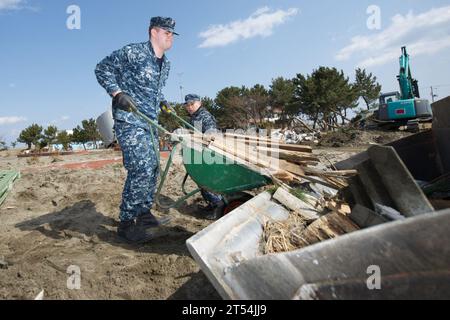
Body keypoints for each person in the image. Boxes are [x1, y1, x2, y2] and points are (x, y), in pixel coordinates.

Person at [95, 17, 178, 243]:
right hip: (130, 120)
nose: (170, 37)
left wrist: (162, 101)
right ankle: (126, 223)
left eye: (173, 34)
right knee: (140, 168)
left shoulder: (166, 64)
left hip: (150, 123)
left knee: (152, 168)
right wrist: (117, 93)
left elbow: (154, 90)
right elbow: (102, 69)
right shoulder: (133, 52)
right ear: (153, 32)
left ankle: (143, 213)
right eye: (166, 32)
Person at [184, 94, 225, 220]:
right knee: (201, 181)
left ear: (199, 103)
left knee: (207, 181)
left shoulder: (204, 116)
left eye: (192, 104)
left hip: (209, 154)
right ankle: (212, 204)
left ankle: (218, 207)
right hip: (199, 153)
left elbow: (212, 136)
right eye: (187, 105)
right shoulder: (194, 117)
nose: (189, 107)